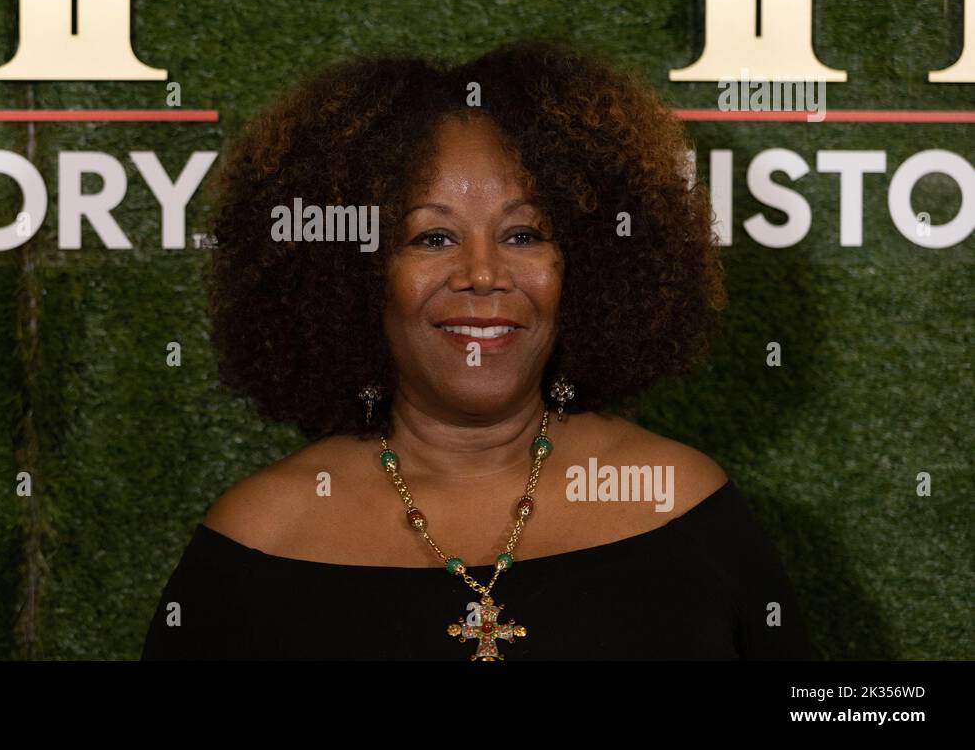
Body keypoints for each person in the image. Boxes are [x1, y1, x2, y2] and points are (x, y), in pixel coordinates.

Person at [142, 39, 814, 660]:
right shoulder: (260, 540)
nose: (484, 273)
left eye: (524, 235)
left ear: (584, 265)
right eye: (431, 239)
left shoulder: (683, 508)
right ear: (349, 275)